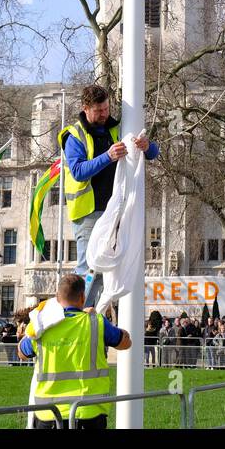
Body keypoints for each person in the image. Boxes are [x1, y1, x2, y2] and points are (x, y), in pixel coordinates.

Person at [59, 84, 158, 307]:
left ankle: (94, 317)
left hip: (116, 209)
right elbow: (78, 171)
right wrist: (108, 156)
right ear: (86, 109)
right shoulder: (74, 135)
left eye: (106, 109)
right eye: (99, 111)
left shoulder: (116, 127)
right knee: (90, 267)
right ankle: (76, 315)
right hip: (88, 212)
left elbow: (153, 153)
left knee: (109, 268)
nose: (104, 114)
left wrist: (146, 146)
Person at [17, 273, 131, 429]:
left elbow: (21, 353)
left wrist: (36, 322)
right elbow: (125, 343)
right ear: (83, 297)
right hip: (88, 412)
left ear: (57, 298)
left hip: (49, 414)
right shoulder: (96, 322)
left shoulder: (42, 327)